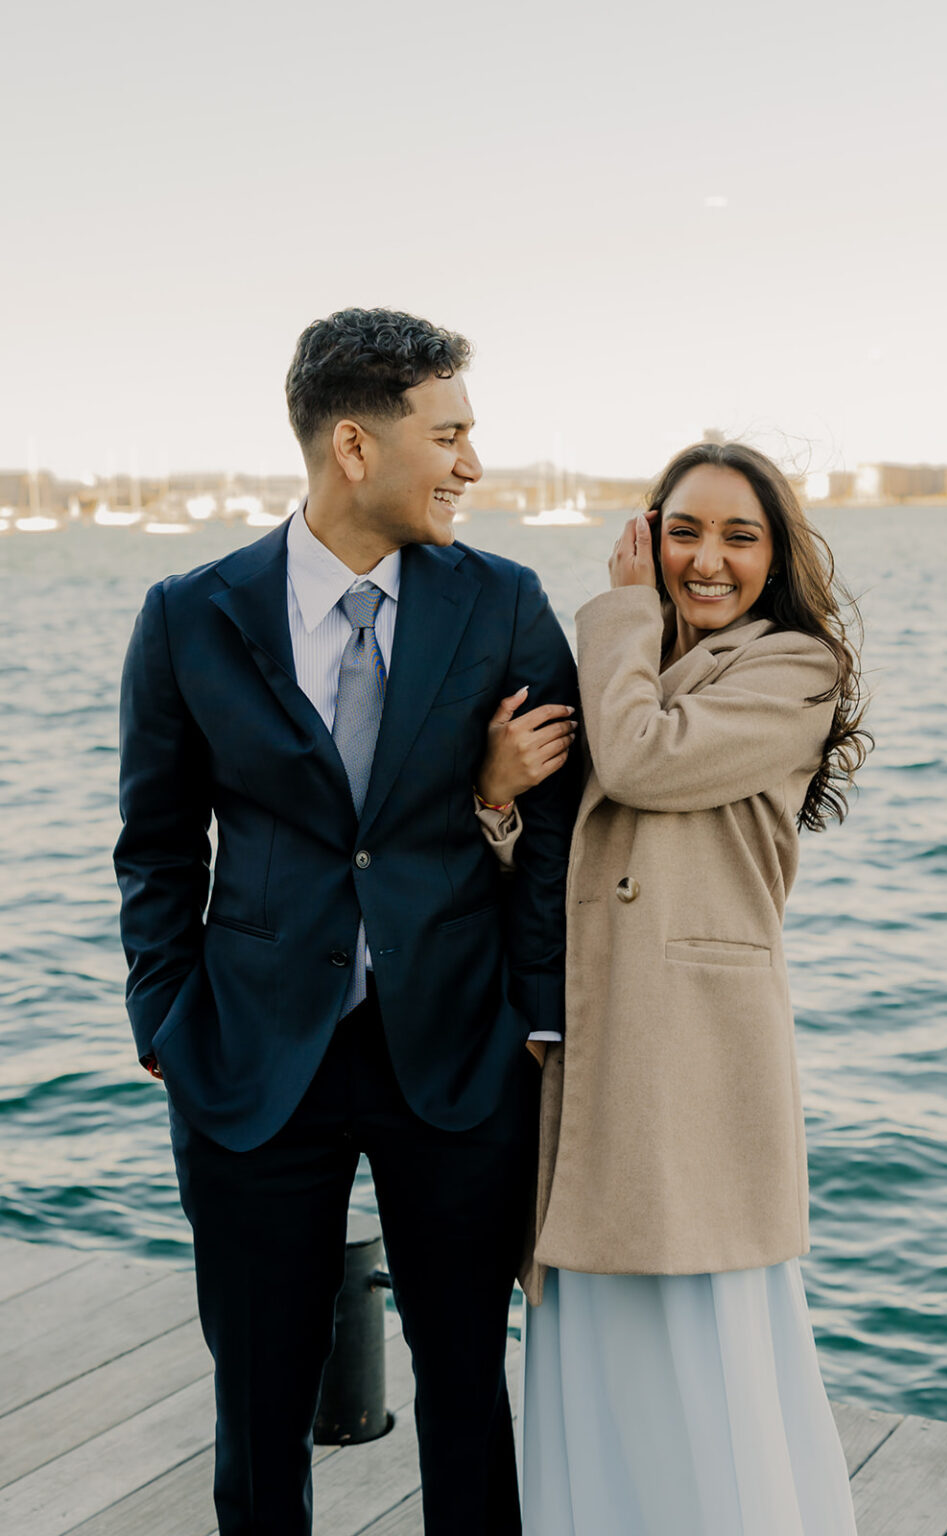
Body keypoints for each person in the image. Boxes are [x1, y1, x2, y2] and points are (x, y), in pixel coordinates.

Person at [114, 307, 579, 1536]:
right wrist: (162, 1014)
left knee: (468, 1391)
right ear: (357, 447)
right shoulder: (189, 615)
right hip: (251, 1056)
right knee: (259, 1402)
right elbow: (157, 846)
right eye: (452, 435)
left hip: (459, 1054)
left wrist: (537, 1018)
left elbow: (561, 840)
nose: (473, 465)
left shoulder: (505, 602)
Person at [477, 440, 871, 1534]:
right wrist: (497, 802)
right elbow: (574, 853)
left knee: (711, 1339)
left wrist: (615, 611)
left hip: (693, 1052)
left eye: (738, 535)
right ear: (652, 535)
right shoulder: (633, 665)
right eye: (683, 531)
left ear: (776, 554)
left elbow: (643, 763)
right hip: (601, 1049)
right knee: (601, 1338)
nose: (708, 560)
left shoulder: (790, 667)